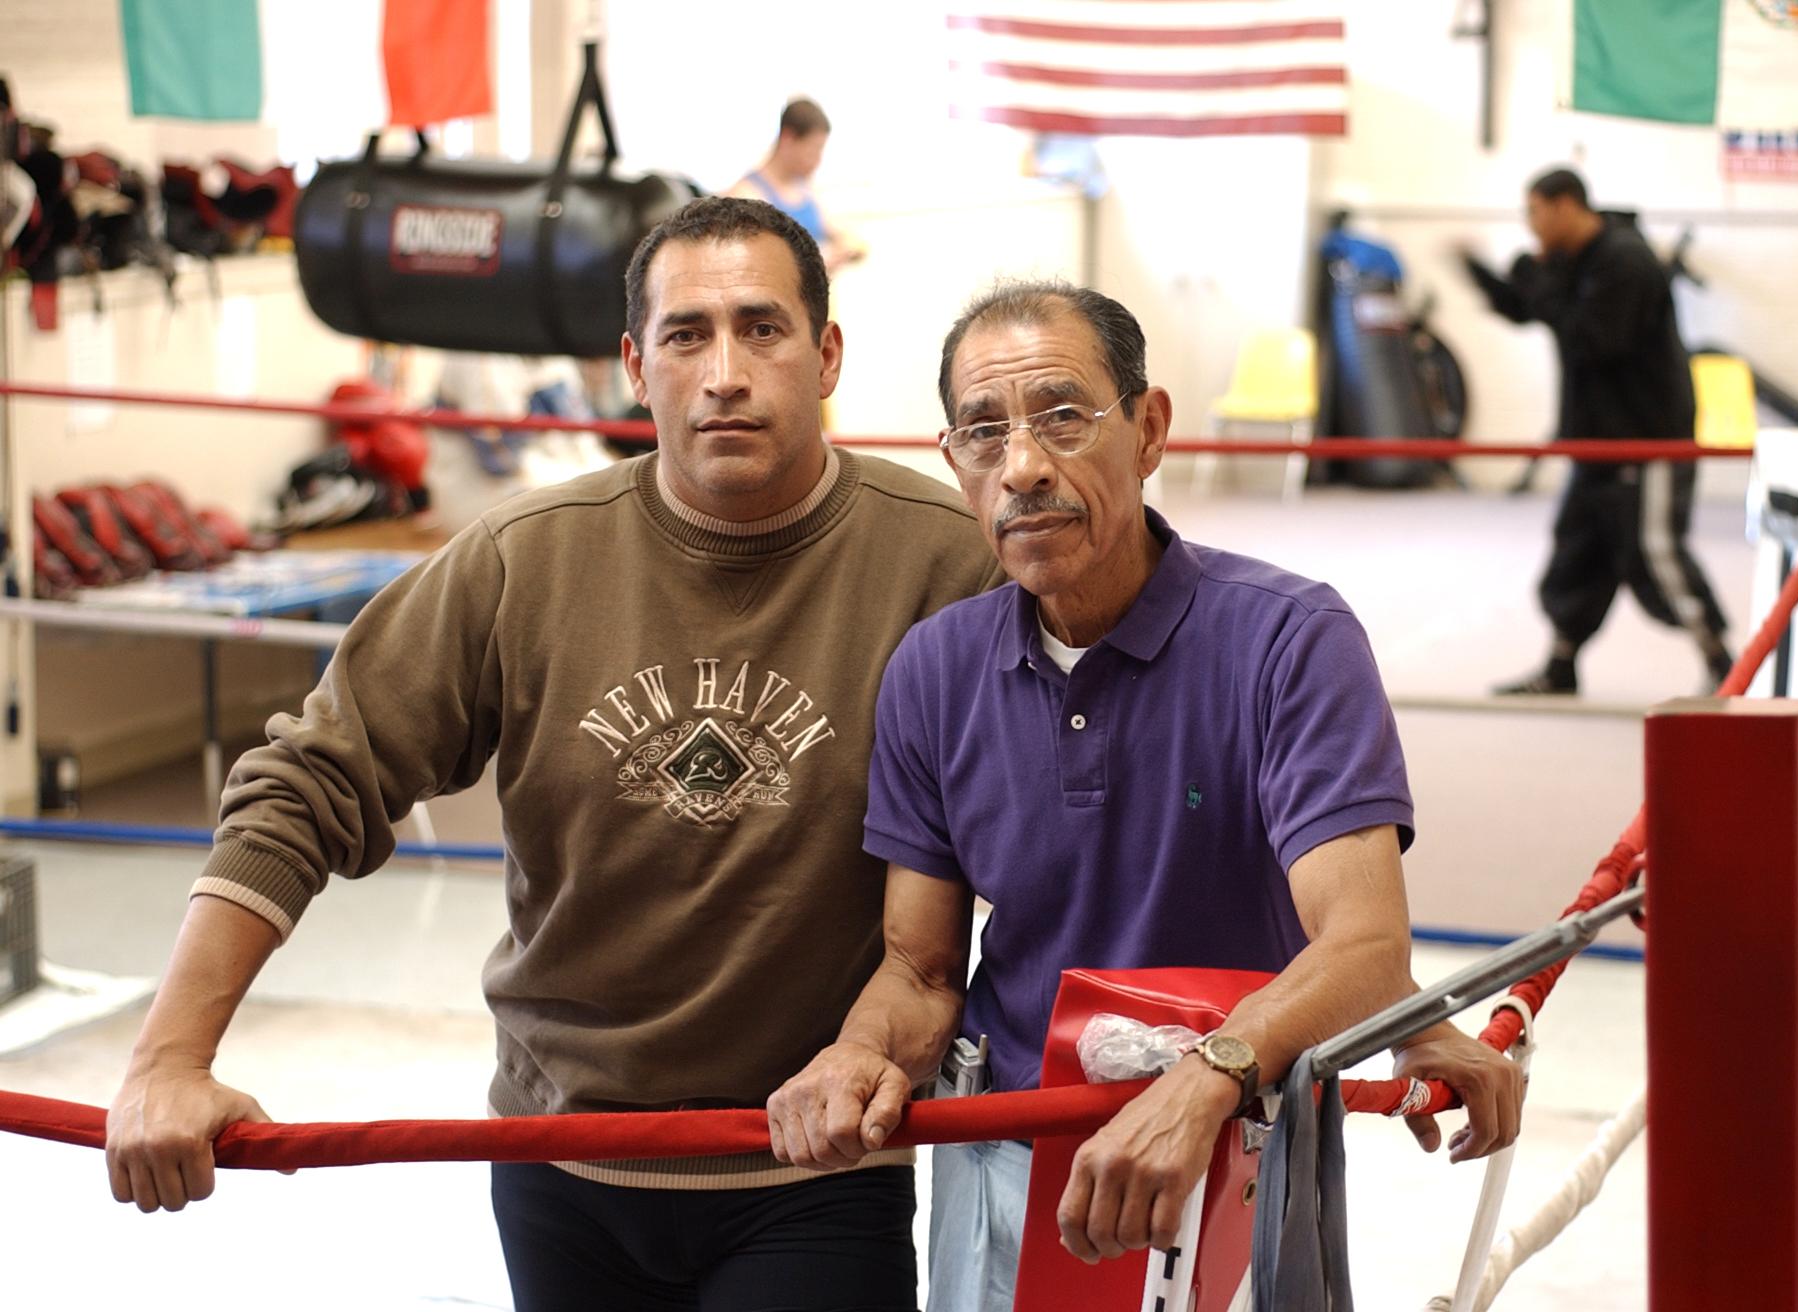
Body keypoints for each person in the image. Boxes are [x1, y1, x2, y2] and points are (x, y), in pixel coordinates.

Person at [102, 196, 1002, 1311]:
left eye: (761, 329)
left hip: (811, 1160)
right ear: (633, 364)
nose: (724, 370)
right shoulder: (525, 560)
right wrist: (169, 1058)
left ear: (824, 355)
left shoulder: (948, 563)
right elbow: (312, 780)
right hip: (559, 1157)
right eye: (685, 335)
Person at [766, 281, 1526, 1308]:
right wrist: (856, 1054)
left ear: (1148, 428)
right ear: (953, 465)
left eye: (1063, 417)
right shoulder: (932, 671)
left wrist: (1207, 1079)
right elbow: (919, 964)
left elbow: (1359, 941)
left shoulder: (1287, 641)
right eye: (982, 433)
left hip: (1240, 1133)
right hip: (1012, 1144)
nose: (1022, 466)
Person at [1460, 167, 1734, 695]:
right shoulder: (1569, 262)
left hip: (1646, 441)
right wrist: (1479, 272)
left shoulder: (1625, 260)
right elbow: (1526, 308)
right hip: (1594, 443)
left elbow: (1594, 337)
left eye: (1535, 211)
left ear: (1565, 205)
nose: (1530, 225)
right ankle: (1561, 668)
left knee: (1656, 556)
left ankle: (1727, 666)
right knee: (1577, 554)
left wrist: (1535, 280)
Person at [728, 97, 864, 277]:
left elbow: (839, 231)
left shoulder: (806, 189)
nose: (817, 160)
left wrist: (847, 247)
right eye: (813, 150)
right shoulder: (746, 195)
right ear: (788, 138)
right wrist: (818, 262)